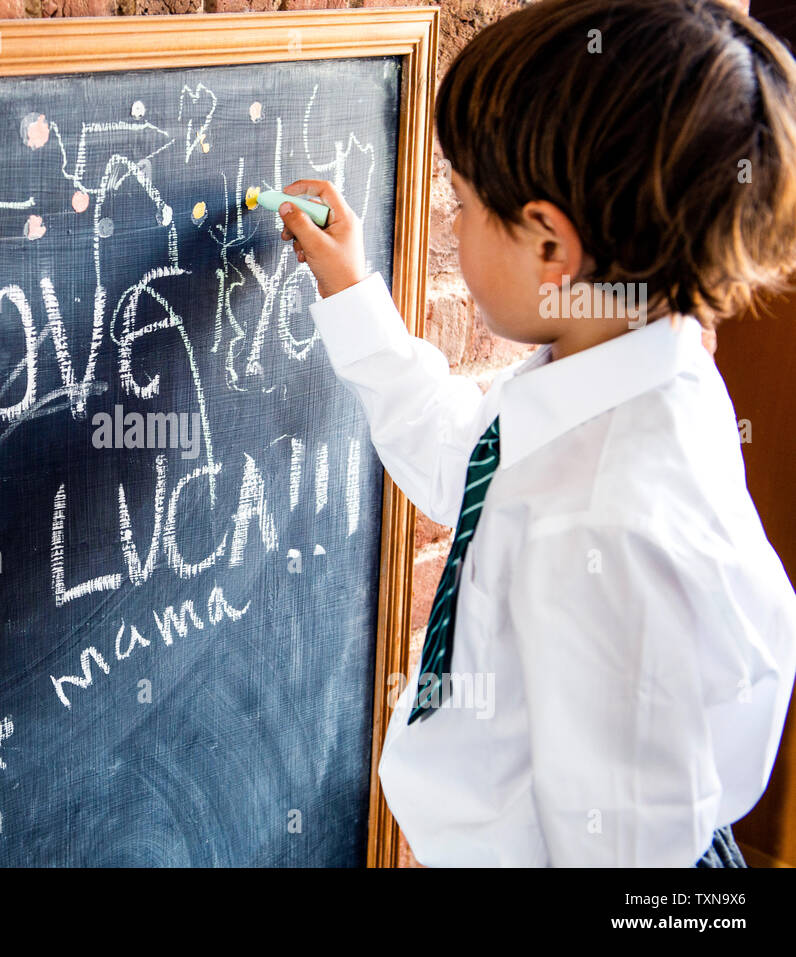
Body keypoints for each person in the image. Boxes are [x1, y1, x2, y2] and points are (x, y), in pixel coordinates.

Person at [277, 0, 796, 866]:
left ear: (551, 245)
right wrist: (353, 295)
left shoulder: (605, 524)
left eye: (463, 204)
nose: (450, 226)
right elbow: (464, 465)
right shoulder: (625, 368)